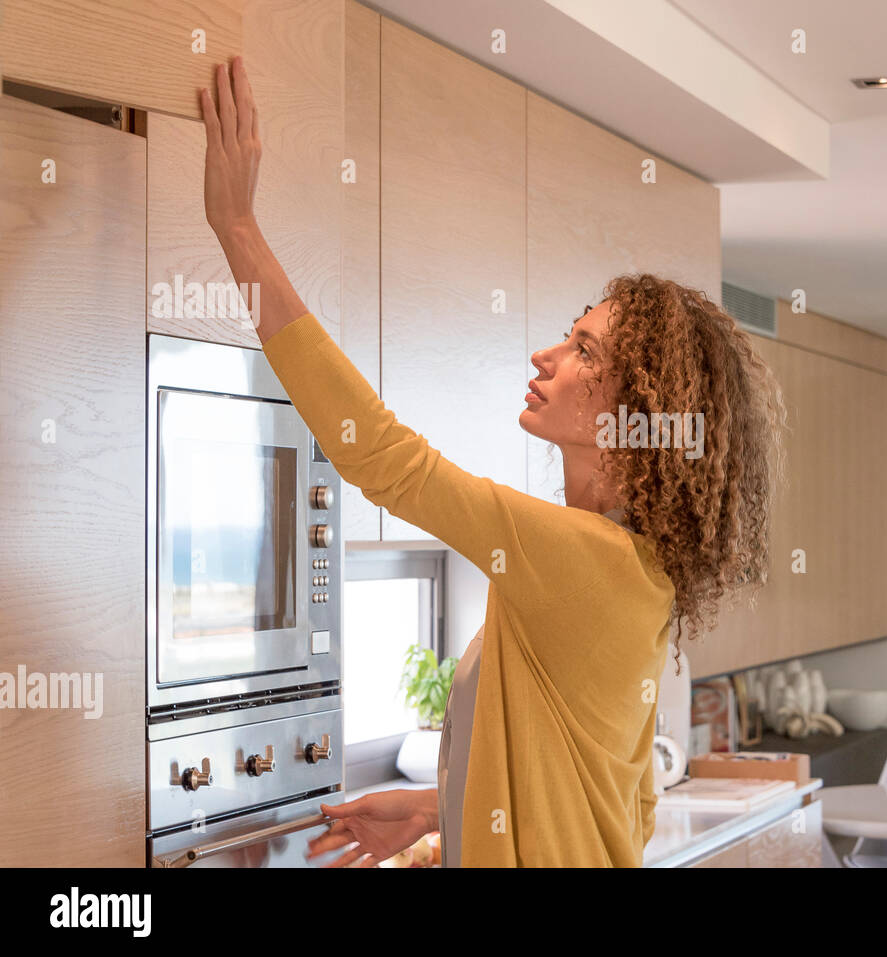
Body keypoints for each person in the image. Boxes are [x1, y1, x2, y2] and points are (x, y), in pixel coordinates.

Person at [199, 57, 787, 866]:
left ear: (630, 414)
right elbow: (620, 798)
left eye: (583, 348)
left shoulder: (585, 558)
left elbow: (384, 459)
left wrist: (236, 227)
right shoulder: (629, 568)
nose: (547, 353)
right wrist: (440, 809)